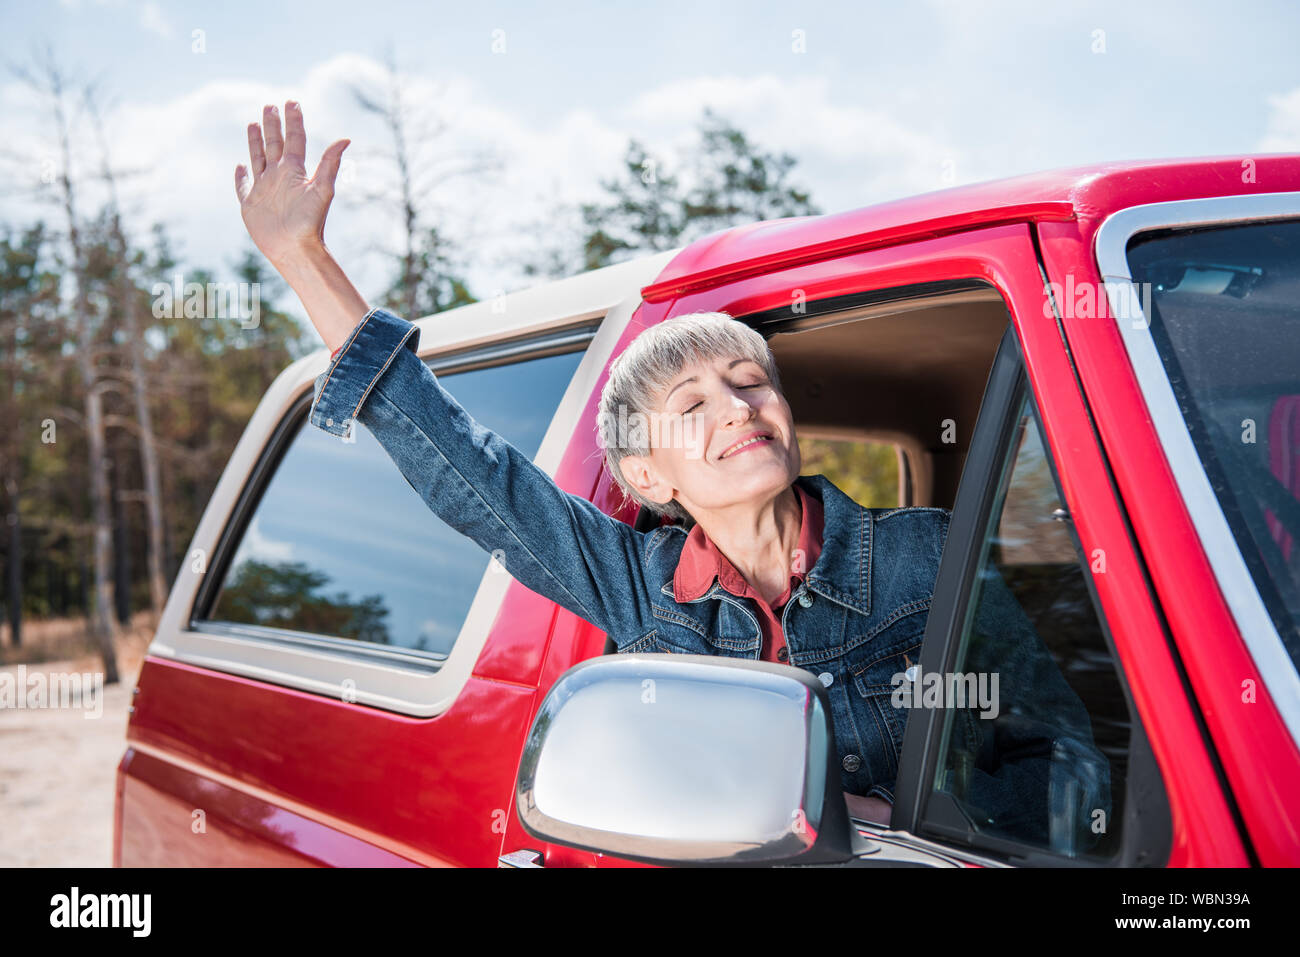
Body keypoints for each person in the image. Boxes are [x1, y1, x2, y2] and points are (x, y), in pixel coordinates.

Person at [235, 101, 1109, 843]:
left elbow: (1073, 775)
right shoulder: (637, 591)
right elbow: (470, 468)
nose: (737, 408)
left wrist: (897, 821)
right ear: (649, 477)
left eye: (750, 382)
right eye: (692, 407)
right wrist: (303, 258)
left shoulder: (927, 556)